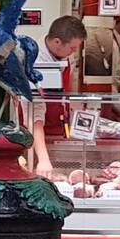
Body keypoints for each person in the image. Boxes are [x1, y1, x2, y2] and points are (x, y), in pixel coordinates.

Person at [29, 14, 87, 180]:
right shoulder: (36, 61)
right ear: (56, 42)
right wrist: (43, 160)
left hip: (58, 129)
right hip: (34, 138)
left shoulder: (65, 55)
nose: (74, 52)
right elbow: (34, 115)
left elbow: (67, 94)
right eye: (72, 48)